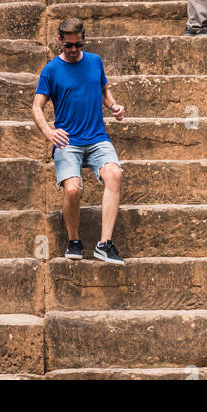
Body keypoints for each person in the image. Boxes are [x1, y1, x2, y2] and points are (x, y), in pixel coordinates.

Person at [32, 17, 126, 265]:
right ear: (60, 42)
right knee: (73, 189)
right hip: (68, 141)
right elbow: (36, 107)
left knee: (114, 174)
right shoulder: (51, 69)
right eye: (69, 46)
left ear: (83, 41)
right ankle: (74, 240)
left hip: (97, 137)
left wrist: (114, 105)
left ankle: (104, 244)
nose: (74, 50)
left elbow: (104, 89)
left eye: (78, 45)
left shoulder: (95, 62)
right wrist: (48, 132)